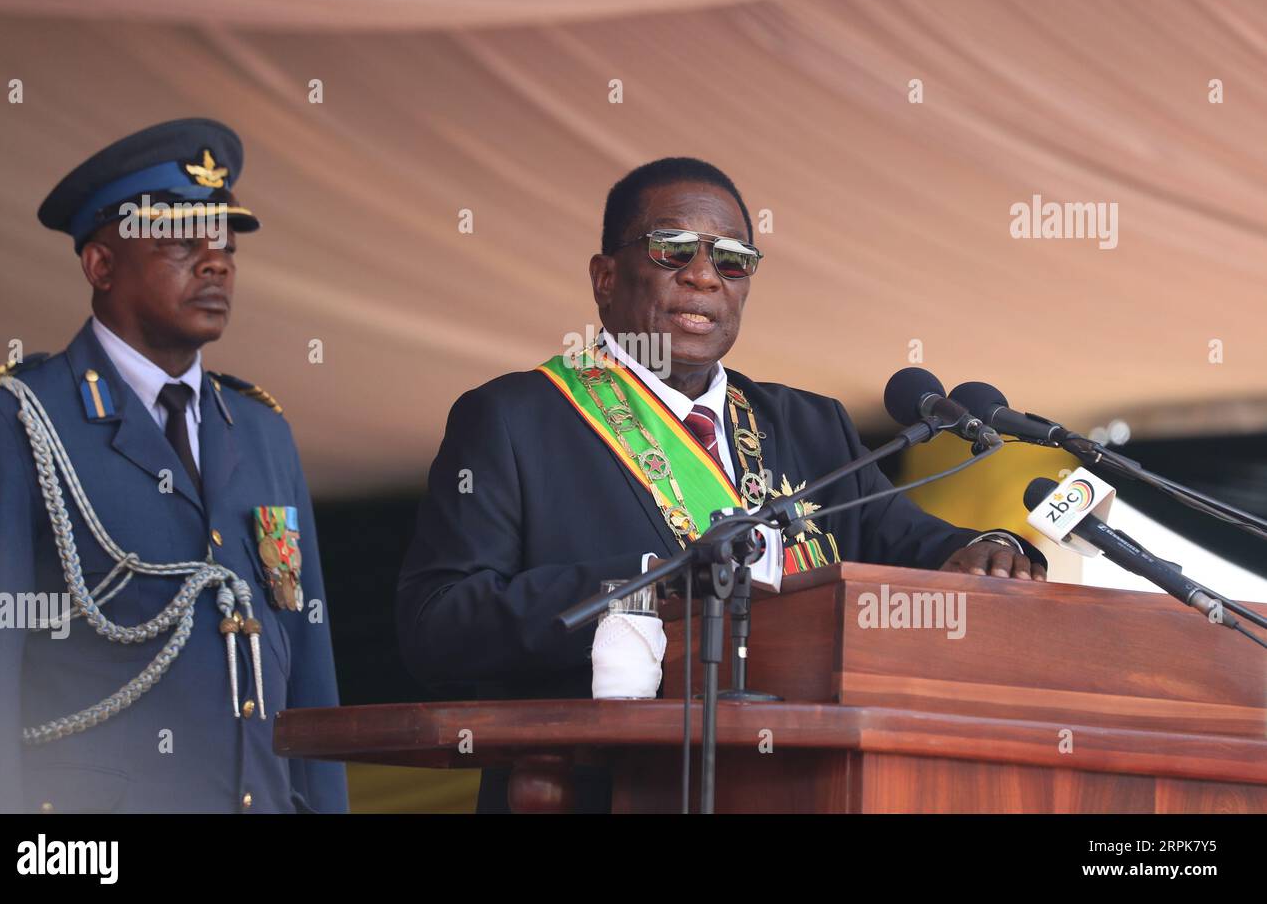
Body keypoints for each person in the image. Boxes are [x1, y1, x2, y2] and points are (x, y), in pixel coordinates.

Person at [396, 156, 1046, 811]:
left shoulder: (812, 425)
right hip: (600, 790)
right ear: (606, 277)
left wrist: (987, 547)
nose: (704, 274)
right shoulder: (516, 419)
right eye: (673, 249)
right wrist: (647, 582)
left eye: (733, 259)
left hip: (805, 786)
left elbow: (915, 543)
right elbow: (438, 621)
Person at [0, 118, 348, 813]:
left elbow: (307, 666)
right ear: (100, 264)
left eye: (224, 243)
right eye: (181, 239)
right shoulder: (17, 423)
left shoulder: (263, 433)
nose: (215, 261)